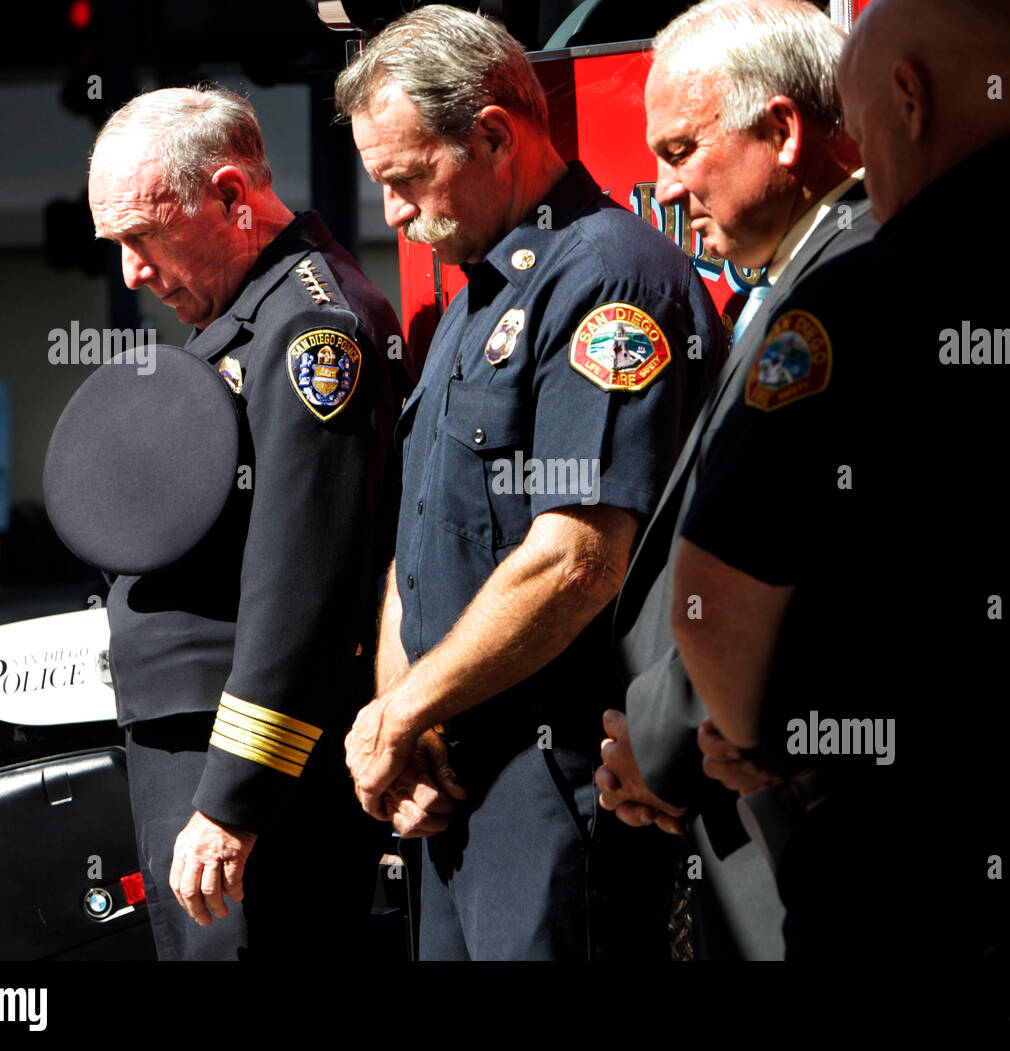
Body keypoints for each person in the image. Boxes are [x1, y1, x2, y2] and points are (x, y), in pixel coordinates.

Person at [671, 0, 1010, 959]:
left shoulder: (860, 309)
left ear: (908, 100)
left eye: (866, 132)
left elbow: (715, 598)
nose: (869, 169)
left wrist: (759, 739)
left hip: (915, 881)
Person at [334, 4, 729, 960]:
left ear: (497, 136)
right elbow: (417, 551)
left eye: (405, 179)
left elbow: (575, 562)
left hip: (557, 783)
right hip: (453, 775)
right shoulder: (478, 293)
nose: (393, 214)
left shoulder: (608, 281)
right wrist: (411, 724)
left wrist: (404, 712)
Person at [84, 86, 409, 960]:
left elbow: (302, 588)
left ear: (232, 198)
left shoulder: (308, 330)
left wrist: (231, 800)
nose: (133, 274)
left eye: (142, 237)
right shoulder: (251, 314)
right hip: (207, 751)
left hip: (250, 773)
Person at [597, 0, 875, 960]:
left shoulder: (841, 284)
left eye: (680, 149)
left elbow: (766, 570)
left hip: (793, 807)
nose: (664, 190)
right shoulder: (806, 277)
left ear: (784, 131)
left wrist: (655, 746)